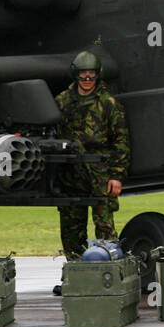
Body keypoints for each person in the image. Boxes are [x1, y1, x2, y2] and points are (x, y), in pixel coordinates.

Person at [54, 51, 130, 294]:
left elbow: (121, 142)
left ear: (98, 75)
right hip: (70, 174)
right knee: (71, 229)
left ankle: (108, 278)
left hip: (100, 174)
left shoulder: (109, 103)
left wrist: (116, 175)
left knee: (105, 228)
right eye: (83, 74)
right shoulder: (62, 101)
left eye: (91, 74)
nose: (87, 79)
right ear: (75, 75)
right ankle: (75, 278)